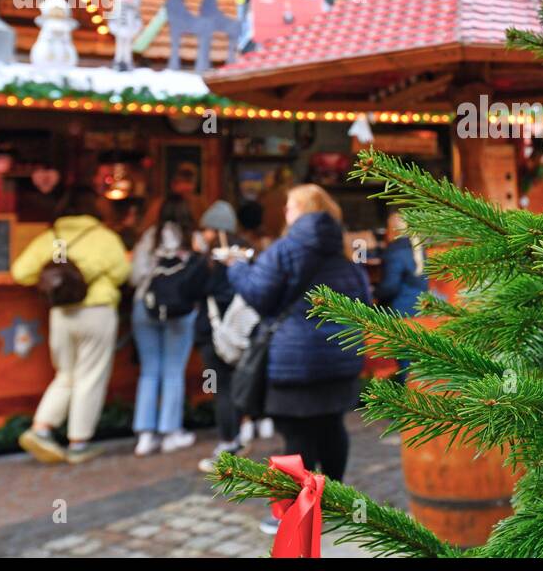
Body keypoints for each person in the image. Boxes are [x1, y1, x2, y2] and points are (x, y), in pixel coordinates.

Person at [226, 184, 370, 534]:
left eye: (290, 207)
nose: (286, 214)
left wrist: (235, 269)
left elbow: (260, 295)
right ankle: (332, 501)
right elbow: (364, 298)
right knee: (332, 426)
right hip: (339, 357)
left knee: (296, 436)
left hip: (293, 361)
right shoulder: (344, 250)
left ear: (301, 211)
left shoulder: (284, 250)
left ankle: (297, 512)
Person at [11, 186, 130, 464]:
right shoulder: (104, 237)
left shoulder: (51, 238)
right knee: (91, 375)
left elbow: (20, 273)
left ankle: (41, 428)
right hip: (97, 312)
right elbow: (123, 272)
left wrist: (52, 278)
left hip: (61, 314)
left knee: (66, 373)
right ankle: (79, 443)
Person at [129, 195, 206, 456]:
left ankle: (145, 434)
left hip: (145, 305)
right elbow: (204, 275)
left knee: (149, 369)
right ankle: (170, 431)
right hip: (181, 310)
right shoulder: (195, 239)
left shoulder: (150, 237)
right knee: (174, 369)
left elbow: (134, 275)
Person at [192, 199, 254, 473]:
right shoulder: (248, 254)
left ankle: (228, 444)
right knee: (237, 385)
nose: (203, 235)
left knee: (221, 390)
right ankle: (242, 433)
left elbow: (191, 289)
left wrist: (195, 258)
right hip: (242, 332)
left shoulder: (211, 261)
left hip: (215, 333)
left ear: (217, 230)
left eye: (206, 229)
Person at [374, 211, 429, 383]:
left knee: (403, 356)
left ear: (391, 230)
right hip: (420, 308)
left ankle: (403, 392)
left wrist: (375, 296)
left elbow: (390, 286)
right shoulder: (419, 250)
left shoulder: (394, 252)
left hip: (399, 311)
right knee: (417, 355)